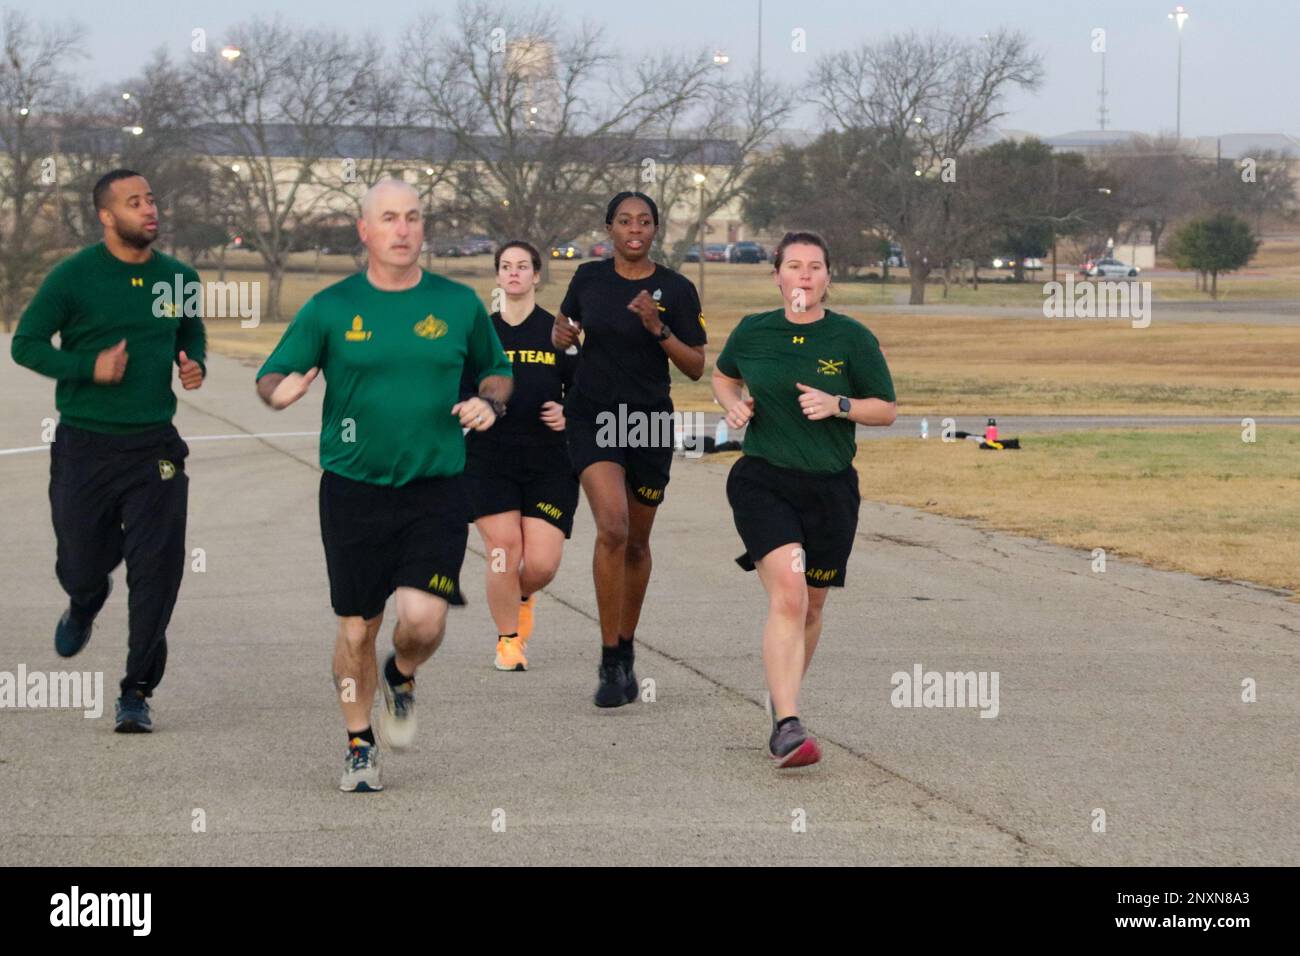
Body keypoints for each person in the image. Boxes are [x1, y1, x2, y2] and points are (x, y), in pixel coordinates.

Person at [255, 179, 512, 792]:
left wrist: (488, 403)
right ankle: (359, 744)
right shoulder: (330, 307)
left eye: (414, 218)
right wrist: (281, 392)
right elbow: (271, 376)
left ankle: (402, 673)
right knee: (355, 627)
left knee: (422, 620)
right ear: (364, 231)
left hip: (437, 487)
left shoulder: (457, 303)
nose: (403, 229)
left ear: (424, 230)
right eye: (389, 218)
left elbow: (497, 371)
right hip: (353, 489)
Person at [11, 169, 206, 734]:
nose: (149, 209)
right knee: (81, 560)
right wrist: (86, 368)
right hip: (85, 446)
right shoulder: (74, 278)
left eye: (151, 199)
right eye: (134, 202)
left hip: (155, 450)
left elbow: (189, 330)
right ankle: (85, 599)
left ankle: (136, 691)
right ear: (106, 215)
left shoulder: (179, 277)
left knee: (158, 570)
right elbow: (25, 344)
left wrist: (191, 362)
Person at [711, 231, 896, 768]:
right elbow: (722, 377)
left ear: (828, 278)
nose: (805, 275)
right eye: (794, 265)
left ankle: (781, 704)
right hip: (763, 479)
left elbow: (885, 409)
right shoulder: (753, 330)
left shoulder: (851, 338)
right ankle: (790, 726)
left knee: (812, 605)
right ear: (777, 276)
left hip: (832, 488)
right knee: (789, 593)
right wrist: (734, 406)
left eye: (816, 266)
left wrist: (838, 403)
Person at [552, 192, 706, 707]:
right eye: (624, 221)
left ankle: (626, 646)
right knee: (612, 526)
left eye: (643, 221)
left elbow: (694, 366)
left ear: (655, 230)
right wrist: (560, 337)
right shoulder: (588, 279)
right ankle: (608, 658)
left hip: (647, 421)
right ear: (609, 229)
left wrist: (657, 327)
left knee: (637, 543)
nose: (633, 228)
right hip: (593, 413)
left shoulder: (676, 289)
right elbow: (566, 333)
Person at [462, 240, 579, 671]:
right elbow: (459, 391)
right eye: (506, 266)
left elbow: (585, 390)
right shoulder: (480, 334)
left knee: (542, 564)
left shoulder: (559, 333)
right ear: (497, 276)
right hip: (490, 461)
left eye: (523, 266)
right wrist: (474, 410)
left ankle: (524, 595)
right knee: (503, 551)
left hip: (549, 461)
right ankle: (508, 642)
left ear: (535, 275)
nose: (514, 273)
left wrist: (569, 412)